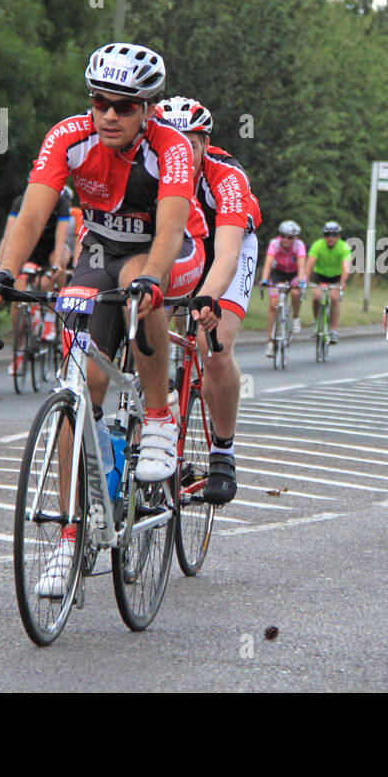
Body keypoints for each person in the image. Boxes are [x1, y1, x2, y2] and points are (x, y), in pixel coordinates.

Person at [0, 42, 205, 597]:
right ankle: (69, 536)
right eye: (100, 101)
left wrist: (153, 276)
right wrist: (5, 274)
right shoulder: (68, 135)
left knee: (137, 288)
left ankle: (156, 418)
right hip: (100, 248)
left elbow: (172, 229)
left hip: (169, 250)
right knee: (79, 384)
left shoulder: (171, 148)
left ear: (147, 109)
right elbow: (33, 210)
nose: (109, 114)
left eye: (124, 106)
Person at [157, 95, 262, 505]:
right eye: (174, 141)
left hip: (228, 247)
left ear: (205, 144)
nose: (183, 150)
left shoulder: (227, 177)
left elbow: (229, 255)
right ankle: (158, 412)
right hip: (181, 245)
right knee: (145, 323)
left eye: (193, 143)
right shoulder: (149, 168)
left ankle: (222, 451)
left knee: (212, 346)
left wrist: (208, 297)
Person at [0, 184, 72, 371]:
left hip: (51, 250)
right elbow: (8, 235)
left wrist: (56, 265)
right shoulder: (20, 202)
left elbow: (61, 239)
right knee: (16, 295)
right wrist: (0, 262)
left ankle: (51, 319)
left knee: (52, 273)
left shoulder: (61, 203)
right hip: (30, 250)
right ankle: (18, 350)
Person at [261, 220, 307, 357]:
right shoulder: (274, 244)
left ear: (295, 238)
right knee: (273, 304)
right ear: (280, 235)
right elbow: (268, 264)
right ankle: (270, 341)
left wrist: (300, 281)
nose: (286, 239)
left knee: (294, 293)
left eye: (290, 237)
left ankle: (296, 317)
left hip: (293, 274)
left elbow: (302, 266)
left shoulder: (299, 246)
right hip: (277, 274)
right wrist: (264, 279)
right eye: (284, 236)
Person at [306, 221, 351, 343]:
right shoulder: (317, 245)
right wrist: (305, 281)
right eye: (327, 235)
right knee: (316, 296)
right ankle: (316, 321)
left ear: (338, 236)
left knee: (335, 298)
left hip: (336, 276)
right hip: (319, 275)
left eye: (334, 235)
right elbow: (310, 265)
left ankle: (333, 330)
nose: (331, 238)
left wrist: (342, 283)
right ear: (324, 236)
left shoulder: (343, 247)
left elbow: (345, 267)